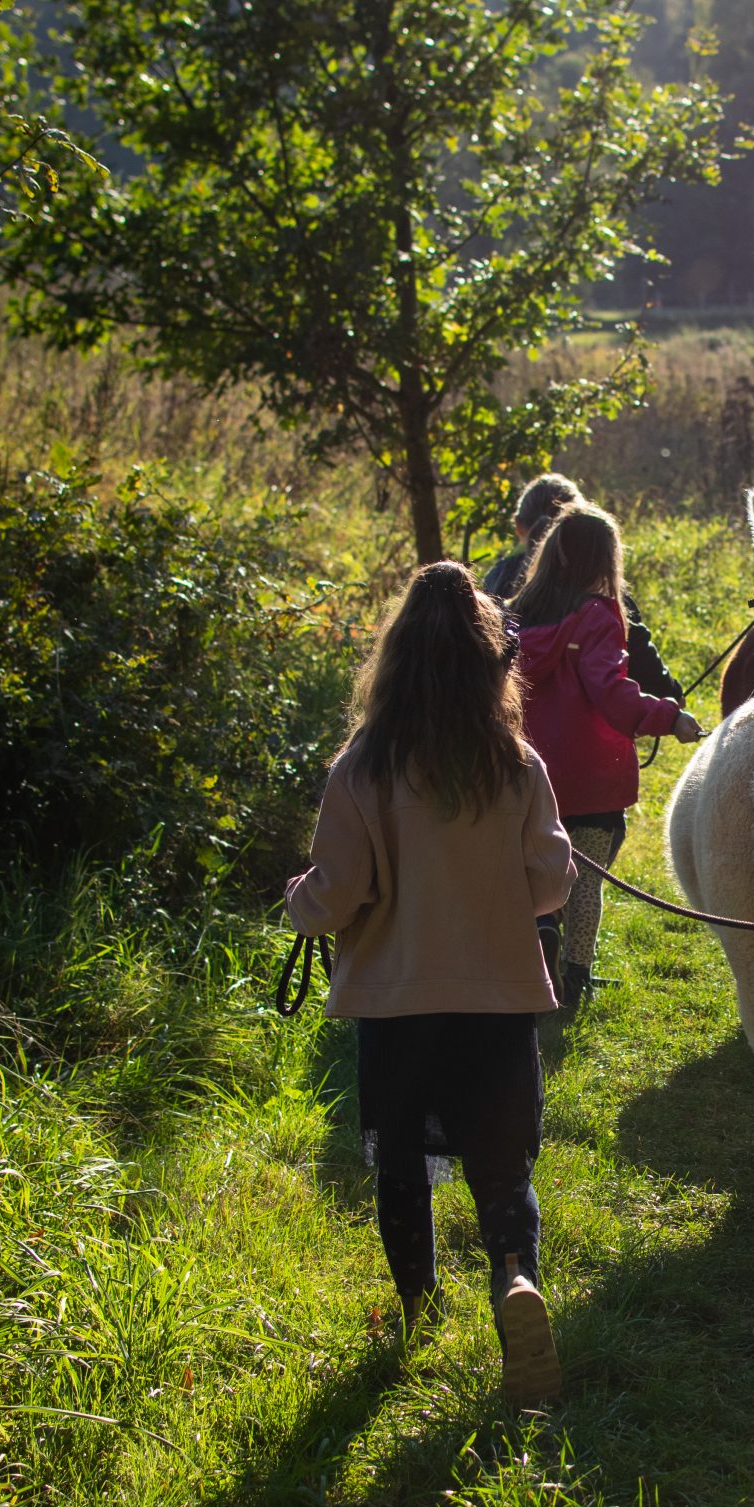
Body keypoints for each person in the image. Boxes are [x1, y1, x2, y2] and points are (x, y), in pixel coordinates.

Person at [285, 562, 572, 1410]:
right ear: (491, 664)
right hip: (498, 998)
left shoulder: (362, 767)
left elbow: (335, 895)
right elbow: (551, 883)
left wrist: (299, 903)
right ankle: (515, 1276)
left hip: (397, 1003)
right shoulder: (516, 765)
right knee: (499, 1157)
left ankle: (416, 1306)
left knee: (401, 1160)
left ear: (396, 658)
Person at [513, 505, 701, 1014]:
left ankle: (535, 949)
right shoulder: (597, 616)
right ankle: (573, 979)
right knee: (585, 880)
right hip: (589, 778)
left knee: (531, 871)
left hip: (523, 773)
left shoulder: (513, 616)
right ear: (605, 560)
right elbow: (613, 695)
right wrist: (671, 717)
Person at [484, 472, 685, 705]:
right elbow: (638, 657)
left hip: (510, 723)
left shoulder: (496, 581)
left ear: (519, 526)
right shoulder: (599, 593)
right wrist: (671, 697)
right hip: (587, 729)